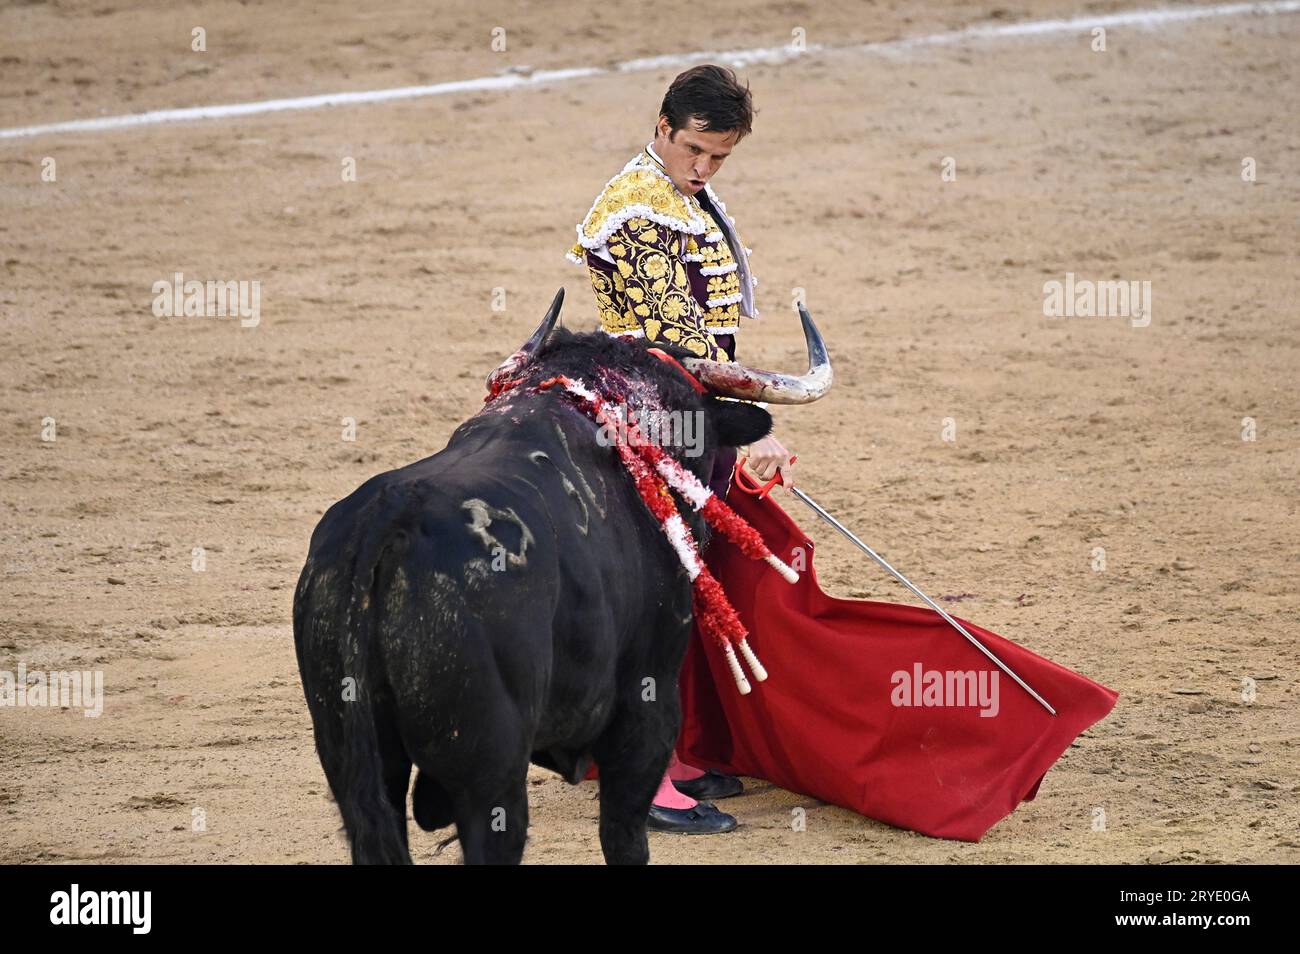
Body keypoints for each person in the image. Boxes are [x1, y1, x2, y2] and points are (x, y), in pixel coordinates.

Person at [567, 64, 795, 834]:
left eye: (719, 158)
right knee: (653, 592)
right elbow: (679, 332)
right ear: (662, 126)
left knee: (680, 580)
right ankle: (642, 770)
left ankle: (659, 746)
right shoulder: (638, 209)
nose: (703, 169)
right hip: (650, 416)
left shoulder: (672, 193)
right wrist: (754, 427)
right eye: (694, 149)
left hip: (679, 410)